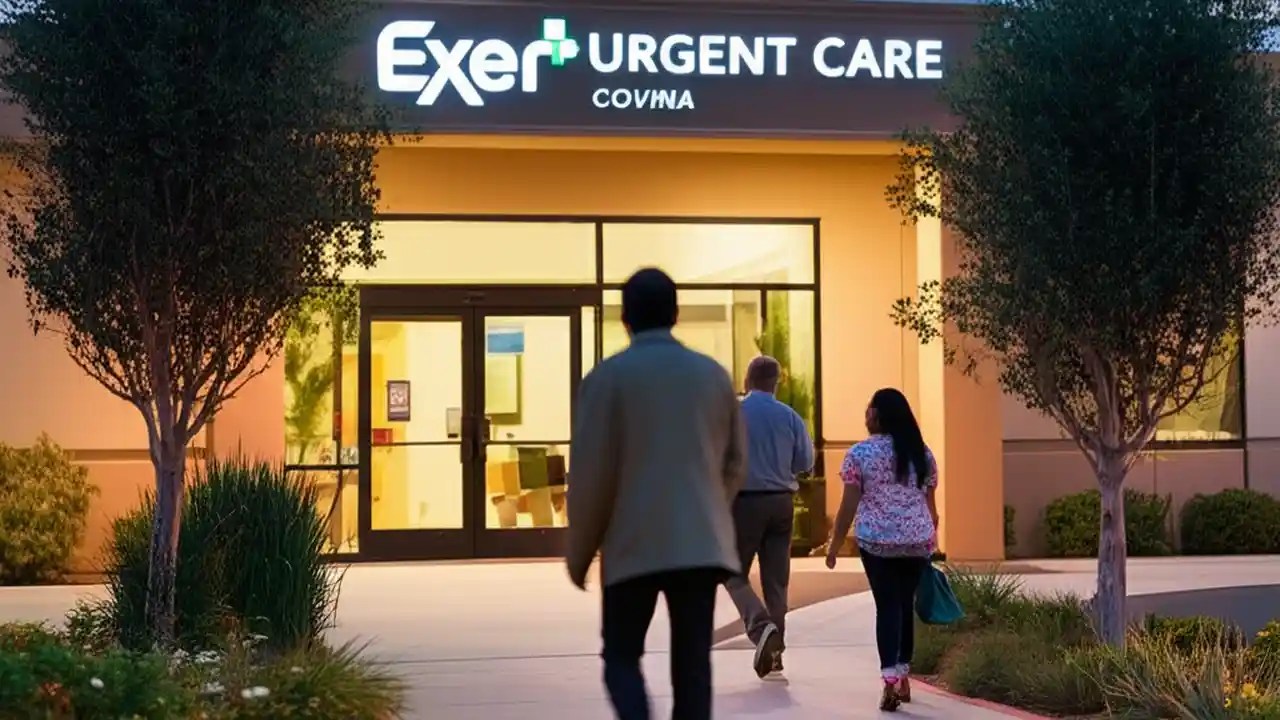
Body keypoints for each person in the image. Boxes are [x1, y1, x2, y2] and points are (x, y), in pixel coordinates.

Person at [566, 267, 746, 720]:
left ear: (624, 317)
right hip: (699, 545)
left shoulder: (606, 380)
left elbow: (591, 475)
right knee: (692, 667)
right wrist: (707, 510)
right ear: (676, 313)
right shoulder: (712, 376)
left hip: (632, 544)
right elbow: (735, 463)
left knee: (621, 657)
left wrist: (581, 551)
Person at [825, 388, 939, 713]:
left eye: (868, 409)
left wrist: (834, 545)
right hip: (917, 541)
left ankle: (889, 679)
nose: (865, 415)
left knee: (887, 607)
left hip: (879, 543)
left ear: (876, 415)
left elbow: (848, 507)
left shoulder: (860, 454)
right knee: (905, 606)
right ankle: (904, 677)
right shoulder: (922, 452)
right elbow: (931, 507)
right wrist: (931, 539)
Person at [725, 355, 814, 680]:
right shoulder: (789, 416)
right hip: (781, 503)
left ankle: (760, 627)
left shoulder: (733, 413)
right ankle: (775, 655)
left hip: (744, 503)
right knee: (776, 582)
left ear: (747, 380)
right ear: (777, 382)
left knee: (731, 571)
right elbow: (804, 462)